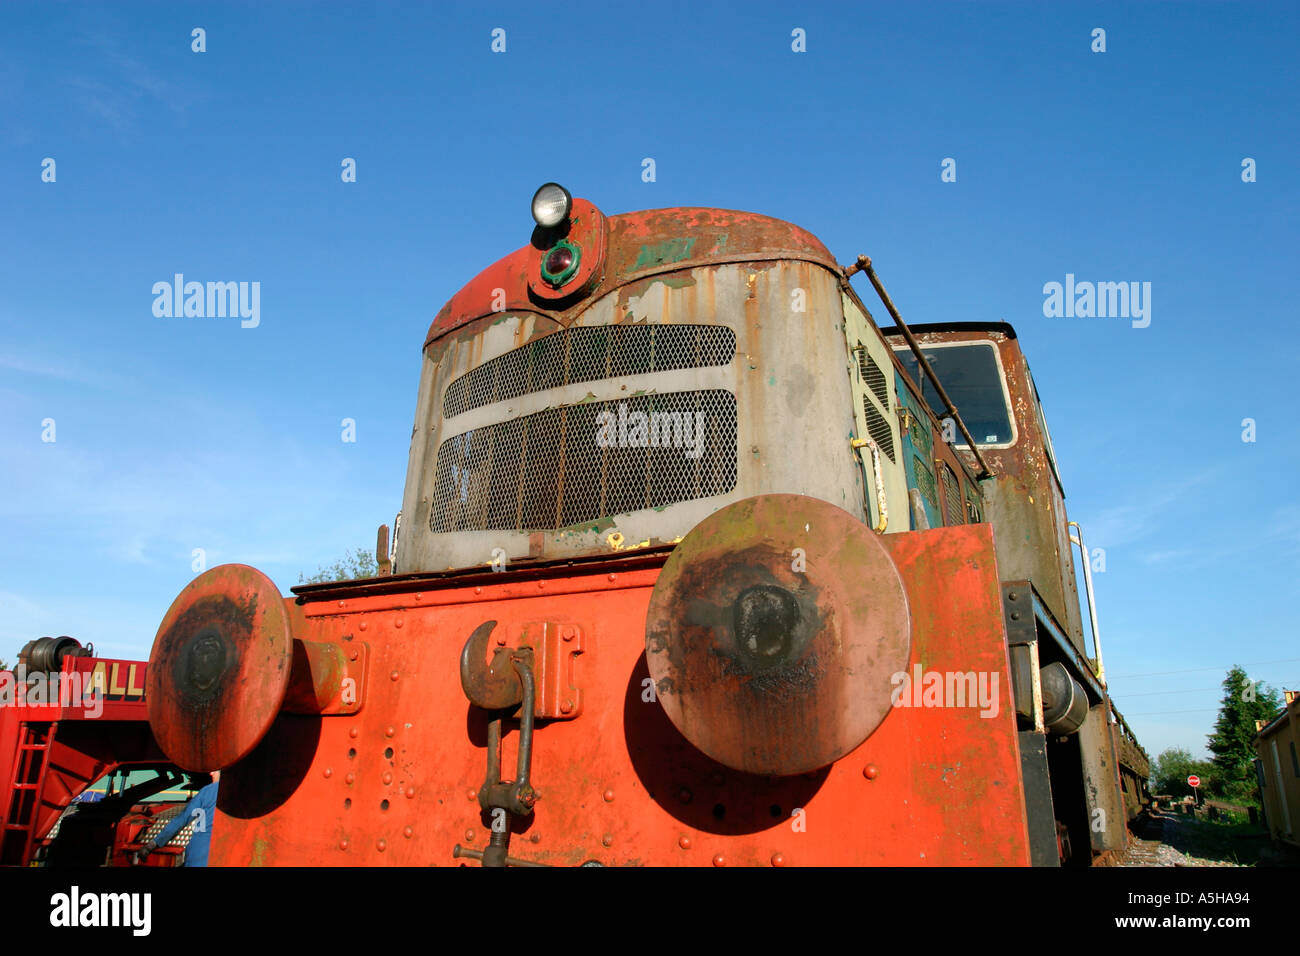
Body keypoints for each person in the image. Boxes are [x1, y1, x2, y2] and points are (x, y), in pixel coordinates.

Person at [141, 772, 219, 866]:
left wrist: (153, 843)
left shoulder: (207, 792)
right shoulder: (236, 793)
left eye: (216, 770)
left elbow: (182, 818)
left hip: (198, 857)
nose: (211, 773)